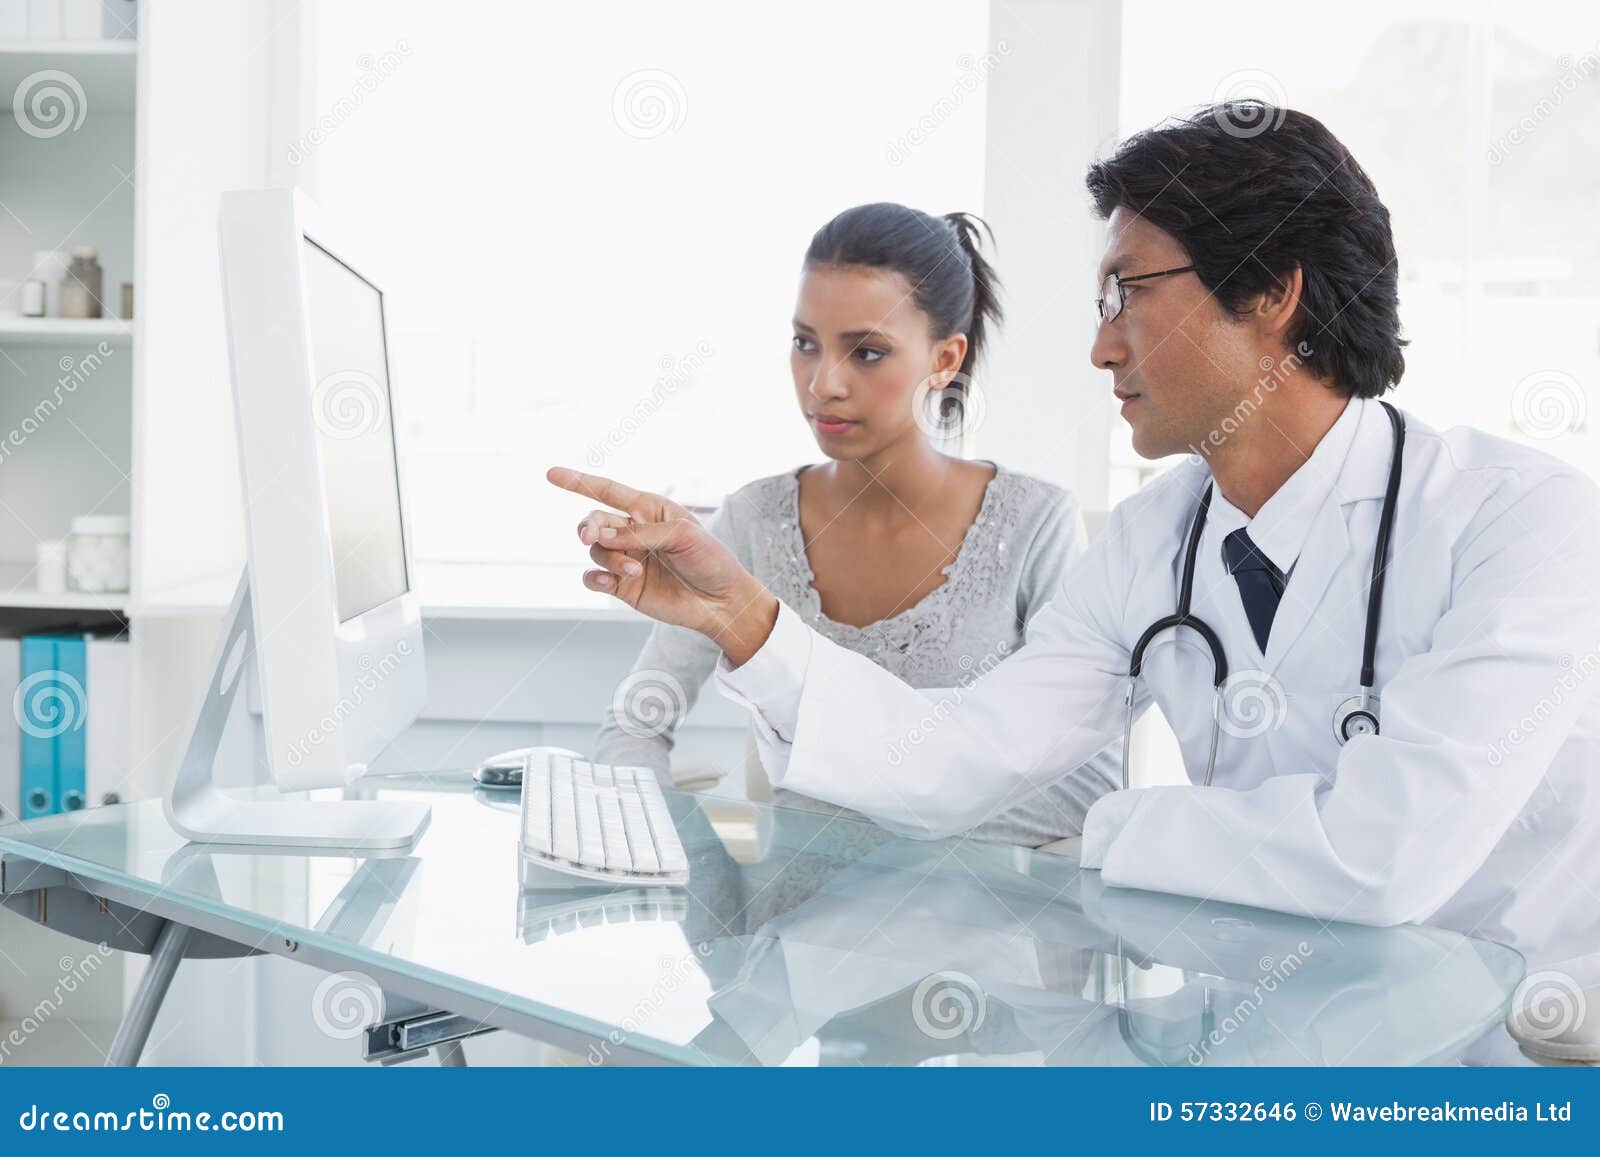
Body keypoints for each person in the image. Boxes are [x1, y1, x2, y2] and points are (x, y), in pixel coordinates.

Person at [548, 104, 1600, 1035]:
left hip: (1526, 1048)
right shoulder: (1156, 537)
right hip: (1283, 1041)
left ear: (1272, 294)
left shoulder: (1519, 520)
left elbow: (1383, 861)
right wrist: (747, 621)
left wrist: (1110, 829)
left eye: (1125, 295)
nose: (1101, 349)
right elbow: (962, 752)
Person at [593, 202, 1119, 846]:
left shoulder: (1035, 524)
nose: (823, 385)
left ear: (945, 358)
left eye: (866, 353)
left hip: (971, 928)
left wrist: (837, 816)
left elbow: (1084, 793)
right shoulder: (753, 520)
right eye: (804, 344)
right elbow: (635, 725)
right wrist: (674, 867)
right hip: (783, 931)